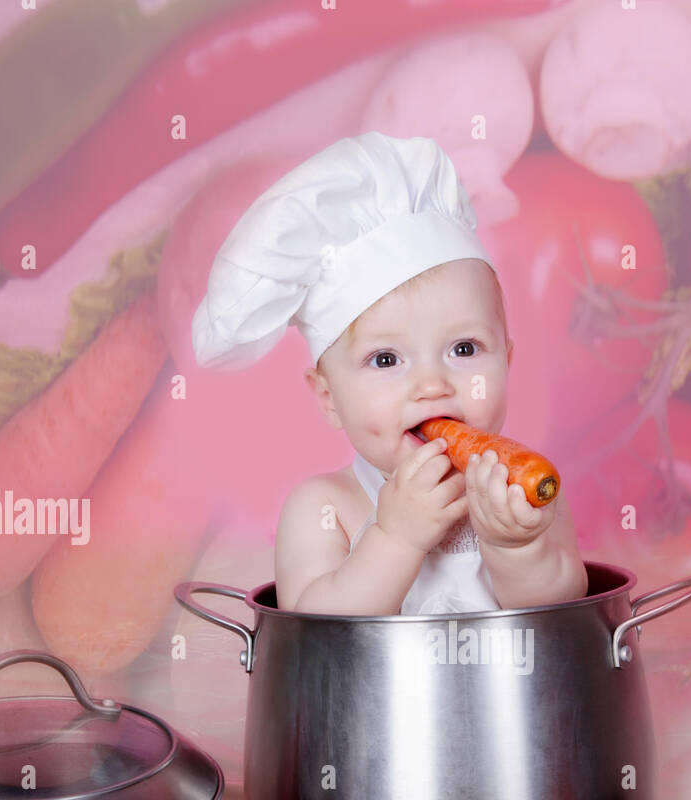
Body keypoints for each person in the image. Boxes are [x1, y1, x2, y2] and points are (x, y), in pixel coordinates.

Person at [193, 132, 588, 615]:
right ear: (328, 397)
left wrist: (517, 549)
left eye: (464, 348)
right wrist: (395, 539)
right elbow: (315, 627)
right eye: (385, 360)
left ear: (506, 363)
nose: (431, 386)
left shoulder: (521, 484)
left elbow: (567, 611)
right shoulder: (324, 507)